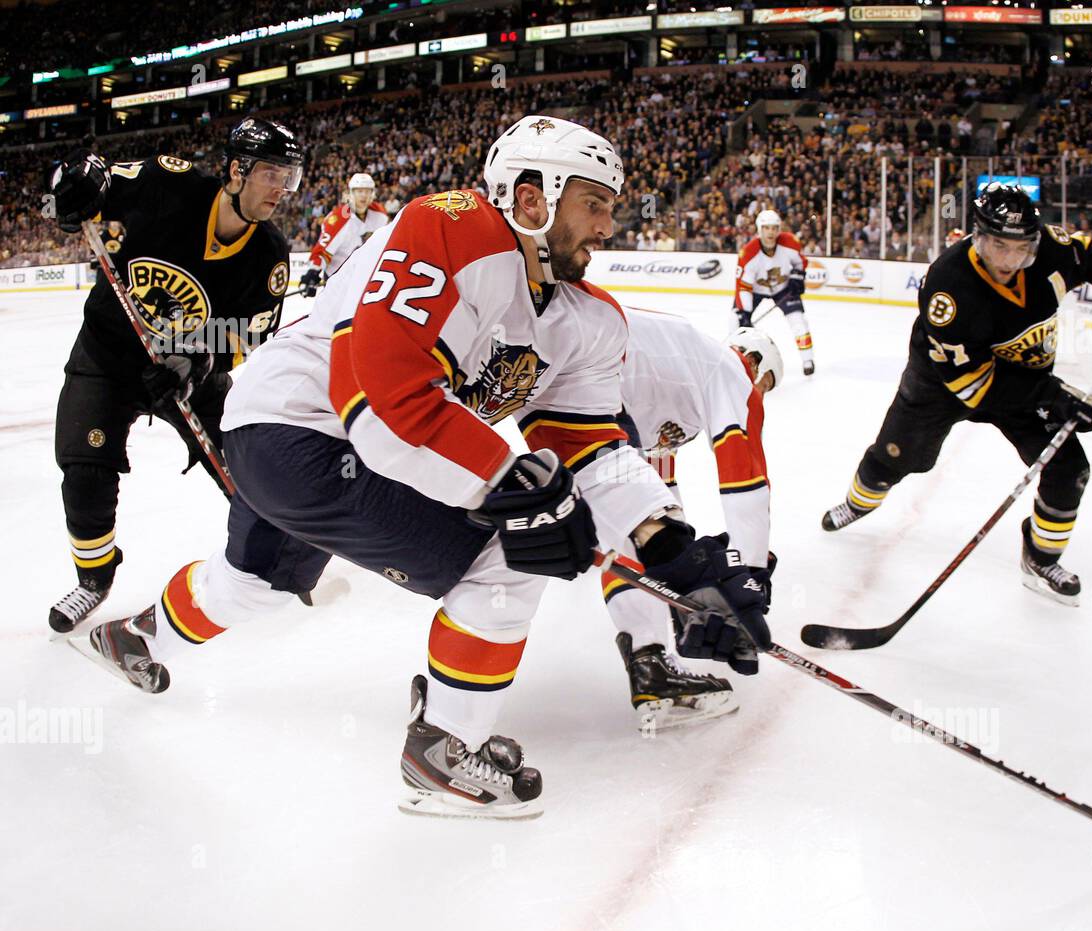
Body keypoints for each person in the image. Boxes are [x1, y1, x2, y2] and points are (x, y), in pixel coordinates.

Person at [85, 116, 772, 820]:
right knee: (506, 554)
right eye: (593, 203)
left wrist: (677, 555)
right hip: (300, 432)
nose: (608, 222)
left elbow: (590, 444)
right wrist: (515, 485)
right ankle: (445, 748)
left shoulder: (587, 319)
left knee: (255, 581)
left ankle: (136, 635)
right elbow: (385, 405)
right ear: (532, 196)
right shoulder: (447, 231)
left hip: (296, 446)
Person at [820, 183, 1092, 604]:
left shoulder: (1048, 251)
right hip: (942, 384)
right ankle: (859, 502)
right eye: (998, 247)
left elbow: (1084, 252)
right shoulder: (948, 288)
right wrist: (1052, 395)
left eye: (1020, 248)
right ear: (978, 238)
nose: (1008, 260)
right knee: (895, 458)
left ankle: (1041, 556)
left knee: (1069, 469)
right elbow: (973, 385)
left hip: (1025, 379)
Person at [47, 118, 300, 634]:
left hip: (187, 371)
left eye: (289, 177)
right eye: (272, 174)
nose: (282, 189)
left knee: (250, 463)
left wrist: (198, 362)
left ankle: (282, 559)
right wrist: (76, 185)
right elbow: (95, 178)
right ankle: (95, 576)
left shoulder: (268, 254)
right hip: (109, 354)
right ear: (237, 169)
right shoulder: (168, 183)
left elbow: (245, 338)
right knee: (84, 468)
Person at [603, 312, 782, 730]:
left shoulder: (677, 378)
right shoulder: (731, 370)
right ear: (757, 363)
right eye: (768, 384)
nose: (762, 395)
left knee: (627, 524)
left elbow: (652, 488)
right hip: (594, 366)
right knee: (634, 522)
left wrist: (681, 563)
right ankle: (650, 663)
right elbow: (747, 479)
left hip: (580, 389)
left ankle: (649, 662)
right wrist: (749, 571)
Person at [734, 209, 816, 375]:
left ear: (778, 229)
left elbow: (800, 263)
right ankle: (737, 359)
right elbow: (743, 286)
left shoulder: (790, 243)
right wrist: (745, 313)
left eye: (774, 228)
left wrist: (797, 277)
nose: (770, 232)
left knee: (799, 322)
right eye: (766, 228)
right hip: (756, 290)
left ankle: (808, 359)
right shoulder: (748, 253)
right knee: (735, 321)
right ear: (759, 229)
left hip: (783, 288)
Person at [299, 172, 389, 297]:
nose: (363, 195)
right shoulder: (339, 218)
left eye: (367, 191)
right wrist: (312, 273)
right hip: (338, 279)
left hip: (365, 279)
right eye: (359, 191)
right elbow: (323, 250)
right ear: (351, 193)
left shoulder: (380, 214)